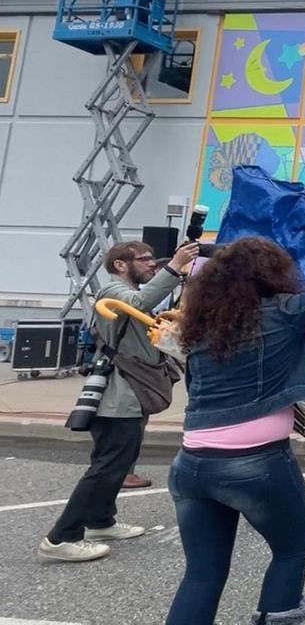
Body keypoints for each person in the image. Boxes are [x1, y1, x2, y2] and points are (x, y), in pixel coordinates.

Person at [164, 232, 305, 625]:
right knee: (291, 550)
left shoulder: (204, 325)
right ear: (273, 273)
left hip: (191, 462)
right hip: (256, 462)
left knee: (202, 573)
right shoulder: (286, 311)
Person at [38, 240, 199, 563]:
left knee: (119, 461)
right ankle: (61, 537)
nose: (152, 264)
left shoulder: (129, 292)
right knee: (108, 465)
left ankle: (100, 521)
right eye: (144, 259)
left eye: (153, 259)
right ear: (121, 265)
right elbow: (141, 301)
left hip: (130, 393)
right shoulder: (113, 291)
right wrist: (174, 266)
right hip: (116, 396)